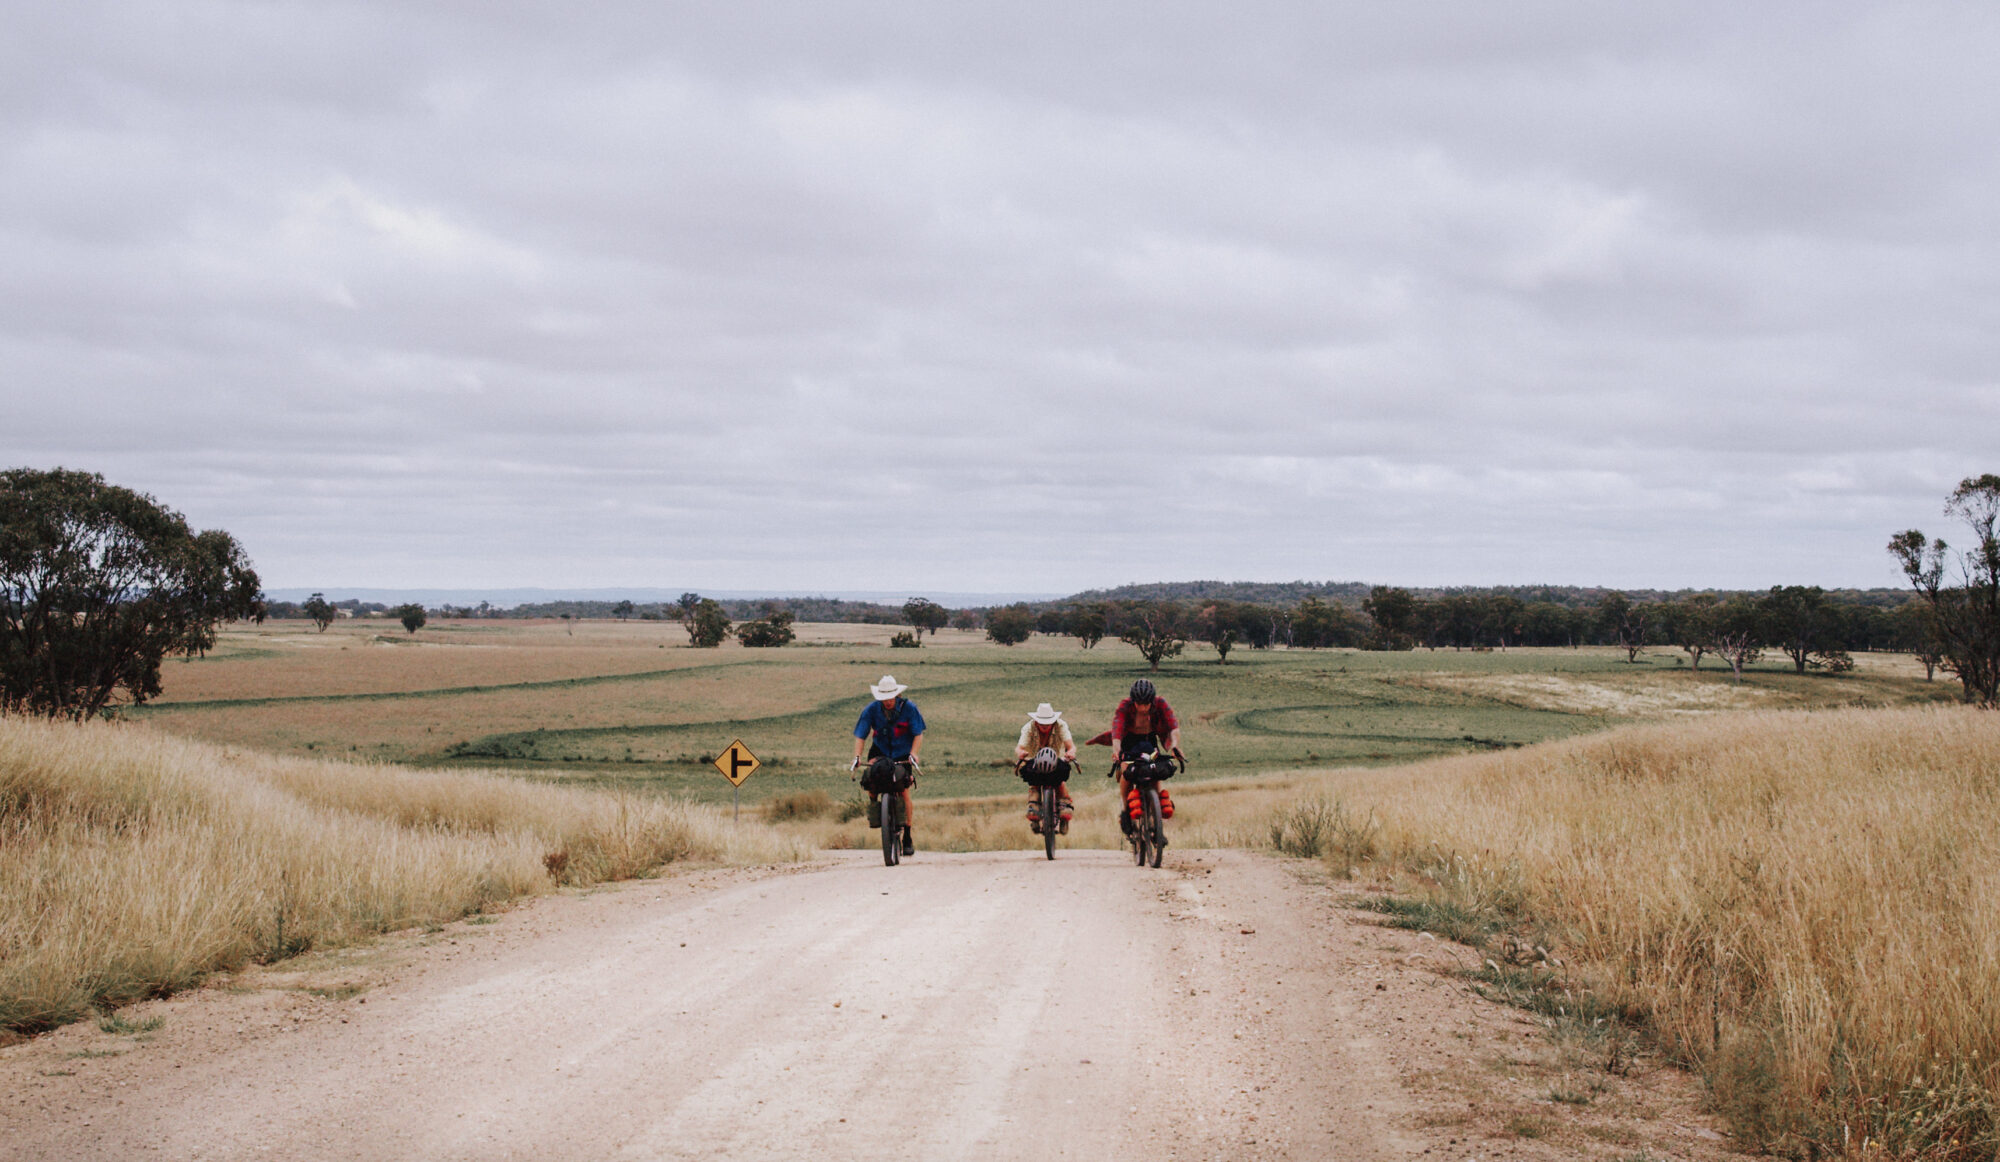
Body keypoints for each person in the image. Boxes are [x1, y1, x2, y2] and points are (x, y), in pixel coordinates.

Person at [852, 674, 924, 856]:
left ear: (896, 695)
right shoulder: (871, 710)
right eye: (883, 698)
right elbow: (861, 735)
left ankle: (907, 834)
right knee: (870, 781)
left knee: (904, 789)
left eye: (890, 697)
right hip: (880, 751)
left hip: (902, 753)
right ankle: (877, 812)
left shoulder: (909, 709)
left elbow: (918, 733)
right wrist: (857, 756)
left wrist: (913, 754)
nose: (887, 701)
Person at [1108, 678, 1179, 838]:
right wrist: (1117, 751)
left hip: (1149, 740)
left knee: (1154, 770)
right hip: (1129, 741)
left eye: (1146, 704)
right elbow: (1117, 729)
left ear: (1151, 701)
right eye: (1138, 704)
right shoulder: (1124, 706)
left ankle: (1156, 822)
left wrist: (1174, 745)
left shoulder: (1161, 704)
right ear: (1133, 701)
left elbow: (1173, 727)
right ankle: (1126, 810)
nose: (1142, 707)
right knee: (1127, 771)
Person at [1014, 702, 1077, 833]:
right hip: (1034, 760)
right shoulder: (1028, 728)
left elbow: (1071, 746)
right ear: (1036, 721)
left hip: (1057, 760)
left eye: (1048, 723)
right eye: (1042, 723)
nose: (1045, 726)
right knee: (1034, 783)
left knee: (1059, 782)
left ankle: (1064, 811)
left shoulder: (1061, 725)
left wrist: (1070, 752)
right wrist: (1021, 753)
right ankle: (1034, 809)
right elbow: (1019, 747)